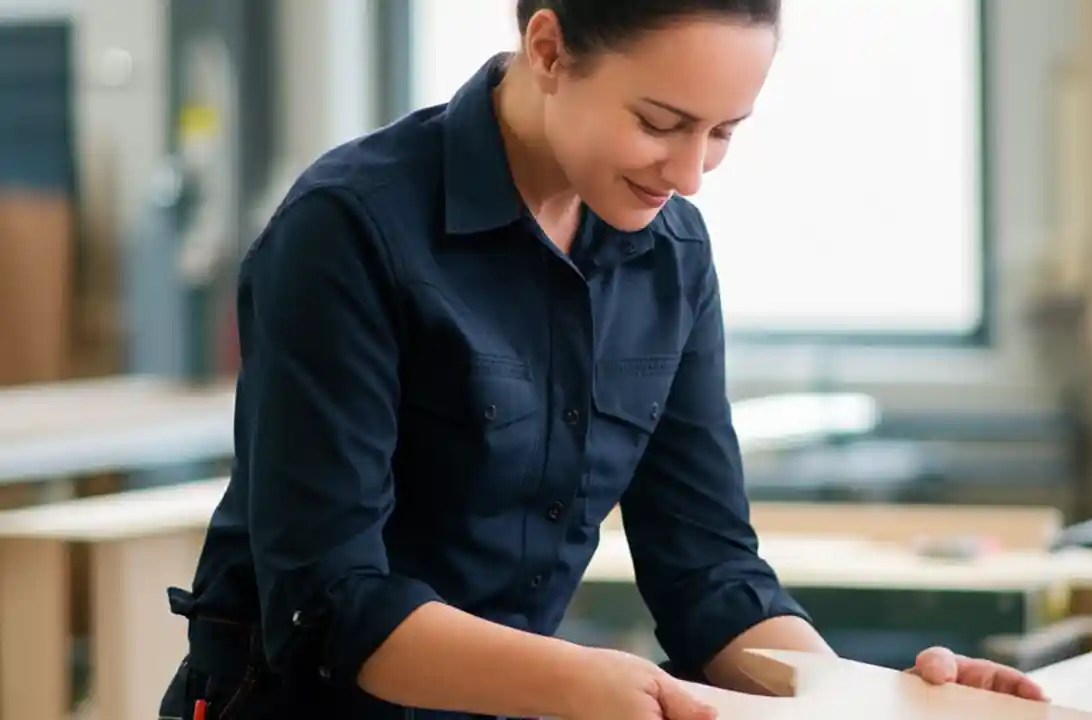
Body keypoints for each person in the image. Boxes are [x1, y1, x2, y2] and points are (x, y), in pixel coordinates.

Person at [158, 1, 1047, 718]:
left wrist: (870, 697)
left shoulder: (672, 253)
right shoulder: (348, 229)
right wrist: (581, 681)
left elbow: (709, 573)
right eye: (661, 123)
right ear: (548, 49)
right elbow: (328, 606)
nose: (691, 174)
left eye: (725, 132)